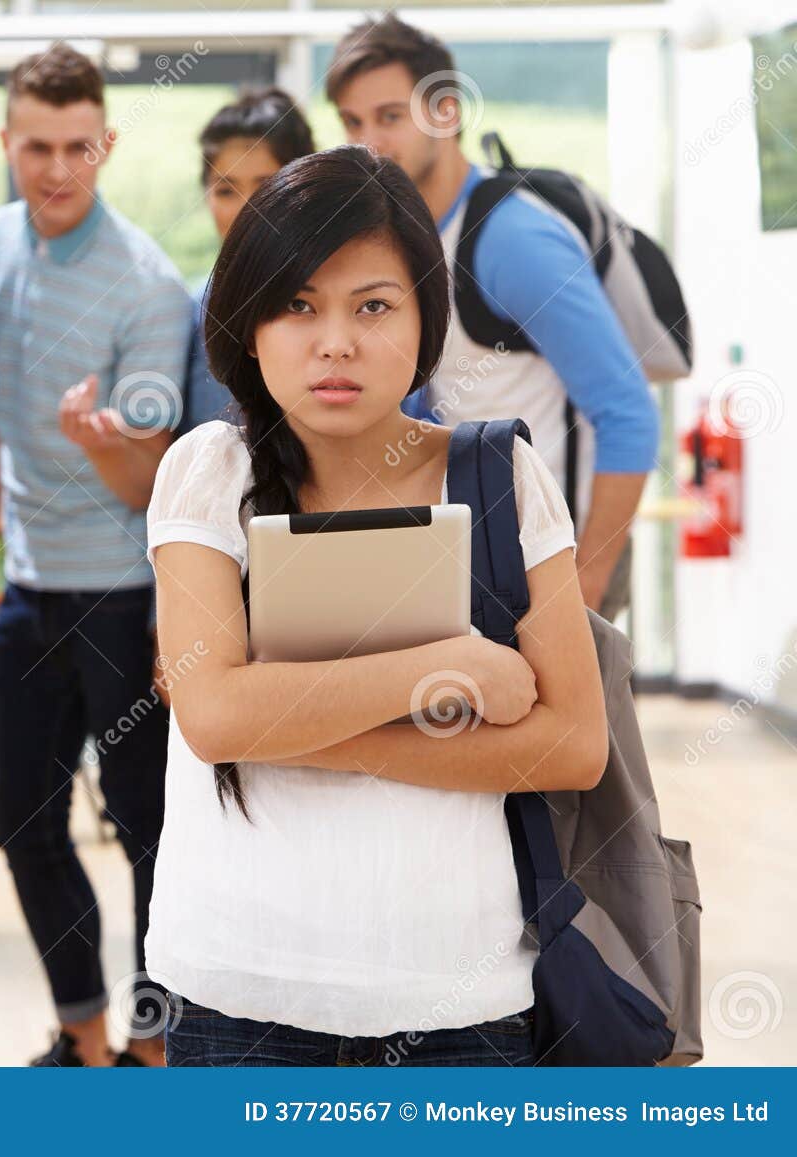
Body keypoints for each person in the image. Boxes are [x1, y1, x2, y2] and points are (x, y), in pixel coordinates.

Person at [147, 145, 608, 1067]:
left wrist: (294, 727)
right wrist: (449, 673)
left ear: (424, 319)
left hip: (463, 997)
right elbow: (216, 712)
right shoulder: (210, 472)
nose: (336, 344)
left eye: (373, 306)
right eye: (296, 306)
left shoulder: (501, 476)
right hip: (242, 992)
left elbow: (573, 745)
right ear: (247, 325)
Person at [0, 42, 191, 1068]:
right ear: (6, 143)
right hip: (29, 592)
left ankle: (155, 1042)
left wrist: (104, 445)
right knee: (21, 819)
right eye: (35, 147)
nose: (55, 169)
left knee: (147, 829)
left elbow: (151, 483)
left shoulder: (148, 283)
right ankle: (83, 1031)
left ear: (107, 144)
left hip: (125, 595)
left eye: (75, 147)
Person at [327, 13, 659, 619]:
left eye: (390, 117)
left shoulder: (513, 240)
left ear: (446, 113)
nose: (369, 141)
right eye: (353, 121)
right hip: (472, 558)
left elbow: (629, 413)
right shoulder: (403, 237)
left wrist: (585, 583)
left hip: (554, 561)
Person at [181, 86, 316, 436]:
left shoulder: (349, 296)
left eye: (265, 186)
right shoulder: (195, 310)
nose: (246, 210)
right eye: (226, 190)